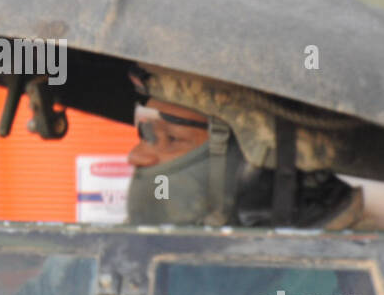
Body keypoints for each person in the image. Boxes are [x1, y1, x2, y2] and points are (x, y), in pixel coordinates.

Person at [125, 91, 363, 229]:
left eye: (173, 138)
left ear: (254, 168)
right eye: (145, 134)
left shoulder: (317, 292)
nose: (135, 156)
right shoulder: (128, 256)